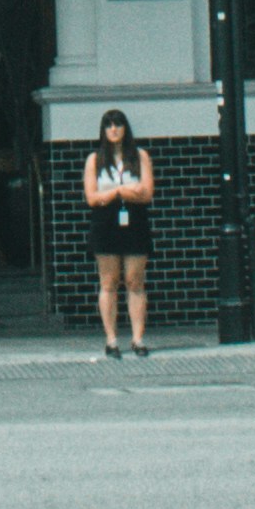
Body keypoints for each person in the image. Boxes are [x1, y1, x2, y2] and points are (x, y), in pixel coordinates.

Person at [81, 111, 155, 355]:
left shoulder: (140, 156)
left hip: (134, 222)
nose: (113, 129)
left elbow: (146, 193)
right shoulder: (95, 159)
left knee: (135, 280)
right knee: (109, 281)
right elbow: (92, 197)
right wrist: (121, 191)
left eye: (118, 124)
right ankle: (111, 339)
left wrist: (116, 192)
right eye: (108, 125)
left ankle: (138, 338)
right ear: (103, 130)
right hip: (105, 223)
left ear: (125, 128)